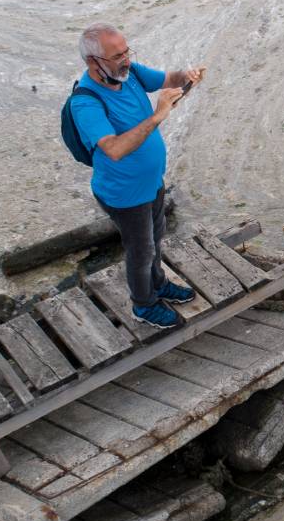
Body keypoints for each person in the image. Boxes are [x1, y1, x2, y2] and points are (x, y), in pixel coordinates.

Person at [70, 22, 205, 328]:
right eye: (117, 55)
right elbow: (114, 149)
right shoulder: (85, 102)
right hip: (124, 195)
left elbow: (169, 79)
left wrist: (188, 76)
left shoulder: (128, 73)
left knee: (156, 238)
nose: (126, 59)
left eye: (126, 51)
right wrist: (157, 115)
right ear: (93, 61)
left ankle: (158, 284)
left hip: (152, 183)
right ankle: (143, 305)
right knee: (141, 250)